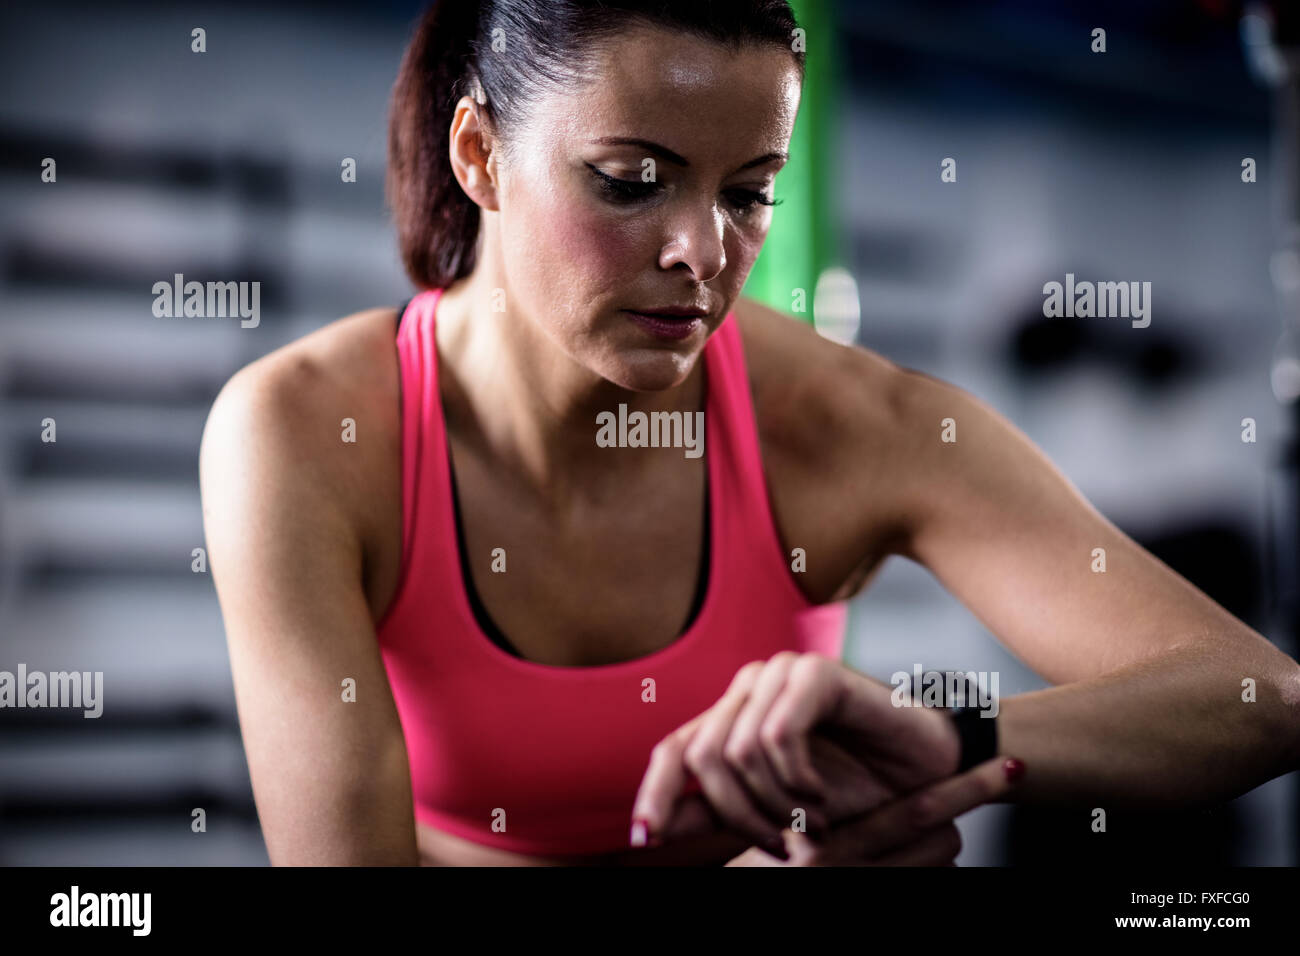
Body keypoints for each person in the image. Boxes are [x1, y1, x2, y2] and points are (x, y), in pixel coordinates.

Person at [199, 0, 1300, 866]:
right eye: (632, 181)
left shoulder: (847, 424)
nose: (702, 251)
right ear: (479, 156)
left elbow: (1256, 697)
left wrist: (948, 736)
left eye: (748, 192)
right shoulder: (302, 436)